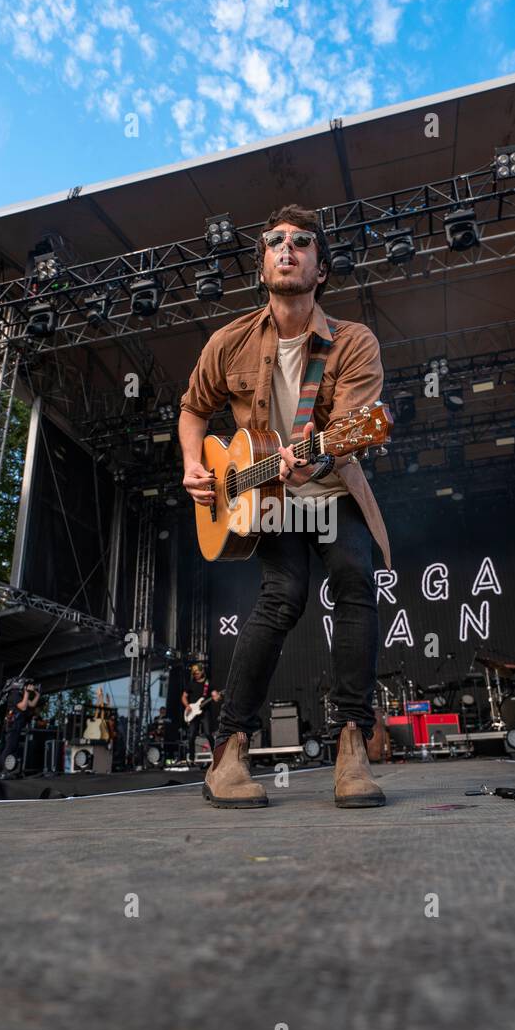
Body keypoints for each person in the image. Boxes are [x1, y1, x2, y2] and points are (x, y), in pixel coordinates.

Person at [179, 203, 391, 810]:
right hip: (262, 496)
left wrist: (316, 456)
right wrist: (196, 465)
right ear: (263, 263)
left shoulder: (352, 341)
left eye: (302, 242)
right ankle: (229, 751)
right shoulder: (230, 342)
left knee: (353, 577)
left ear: (320, 268)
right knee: (282, 597)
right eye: (275, 241)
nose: (287, 248)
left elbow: (356, 425)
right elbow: (194, 409)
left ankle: (352, 742)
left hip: (330, 488)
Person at [0, 679, 41, 777]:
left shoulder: (20, 695)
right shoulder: (14, 694)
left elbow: (31, 704)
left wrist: (37, 695)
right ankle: (1, 771)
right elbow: (23, 707)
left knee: (13, 747)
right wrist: (27, 693)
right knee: (9, 748)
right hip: (12, 724)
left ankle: (8, 770)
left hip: (17, 724)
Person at [181, 664, 221, 764]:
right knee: (191, 735)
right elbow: (184, 697)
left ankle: (215, 755)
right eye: (194, 674)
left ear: (202, 671)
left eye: (197, 673)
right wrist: (187, 706)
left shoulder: (208, 684)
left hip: (205, 712)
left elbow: (215, 696)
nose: (196, 675)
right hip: (193, 712)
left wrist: (217, 697)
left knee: (208, 734)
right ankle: (192, 757)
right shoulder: (191, 684)